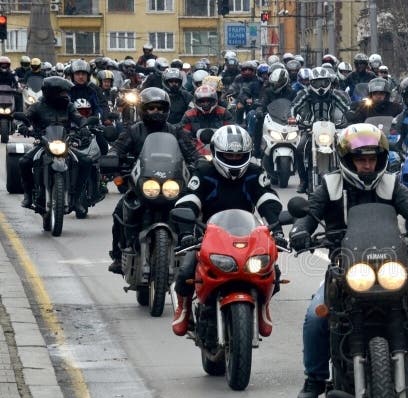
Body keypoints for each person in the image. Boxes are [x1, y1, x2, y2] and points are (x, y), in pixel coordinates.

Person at [289, 123, 408, 398]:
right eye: (360, 159)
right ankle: (314, 378)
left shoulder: (391, 183)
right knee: (317, 316)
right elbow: (311, 213)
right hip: (345, 266)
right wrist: (301, 231)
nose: (366, 165)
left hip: (391, 264)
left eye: (371, 159)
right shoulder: (330, 184)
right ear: (348, 160)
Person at [171, 125, 283, 336]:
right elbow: (189, 201)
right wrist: (186, 233)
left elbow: (267, 200)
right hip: (207, 234)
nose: (234, 160)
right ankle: (184, 305)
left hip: (248, 233)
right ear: (215, 153)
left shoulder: (255, 172)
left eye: (239, 155)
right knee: (186, 271)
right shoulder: (203, 172)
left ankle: (263, 305)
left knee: (272, 272)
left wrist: (278, 231)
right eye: (228, 156)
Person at [107, 88, 203, 274]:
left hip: (171, 183)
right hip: (142, 183)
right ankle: (119, 255)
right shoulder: (134, 131)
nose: (156, 112)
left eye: (160, 108)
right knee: (120, 211)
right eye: (151, 108)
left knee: (195, 210)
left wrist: (200, 163)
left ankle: (196, 254)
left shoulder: (175, 131)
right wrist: (112, 157)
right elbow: (118, 148)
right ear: (143, 109)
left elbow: (192, 152)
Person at [17, 77, 88, 212]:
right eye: (62, 93)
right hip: (43, 143)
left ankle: (77, 198)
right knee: (24, 162)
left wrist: (84, 126)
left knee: (86, 161)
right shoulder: (38, 106)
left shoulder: (69, 106)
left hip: (64, 142)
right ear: (52, 93)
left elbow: (78, 118)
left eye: (66, 93)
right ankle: (28, 195)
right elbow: (26, 117)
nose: (65, 95)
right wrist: (22, 126)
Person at [290, 67, 350, 193]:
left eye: (324, 82)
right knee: (300, 149)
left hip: (333, 129)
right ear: (311, 83)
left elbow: (347, 107)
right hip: (310, 129)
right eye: (317, 82)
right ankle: (303, 181)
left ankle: (347, 178)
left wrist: (351, 115)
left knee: (346, 148)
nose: (321, 86)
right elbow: (294, 107)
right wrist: (291, 117)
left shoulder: (335, 94)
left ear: (329, 82)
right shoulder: (305, 94)